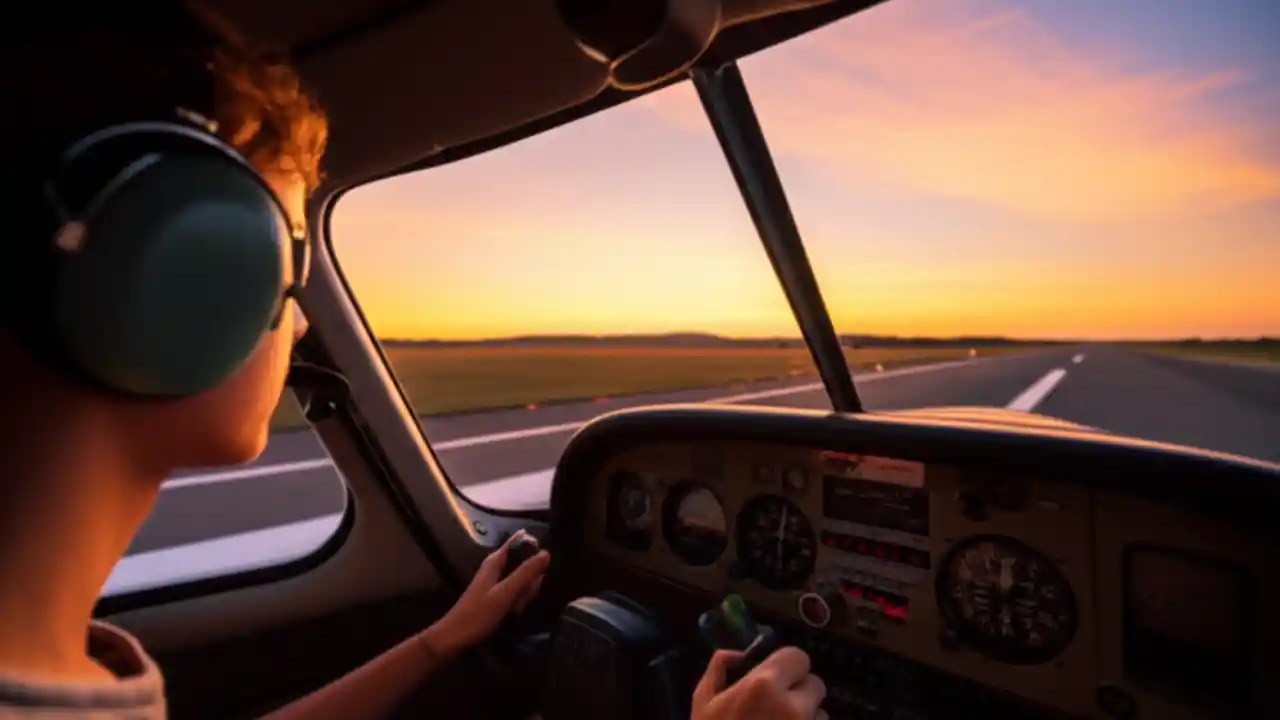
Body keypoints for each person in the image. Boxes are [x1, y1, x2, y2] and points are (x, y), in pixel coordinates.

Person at [0, 3, 826, 718]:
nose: (294, 327)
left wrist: (437, 643)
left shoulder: (50, 666)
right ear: (171, 272)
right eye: (278, 262)